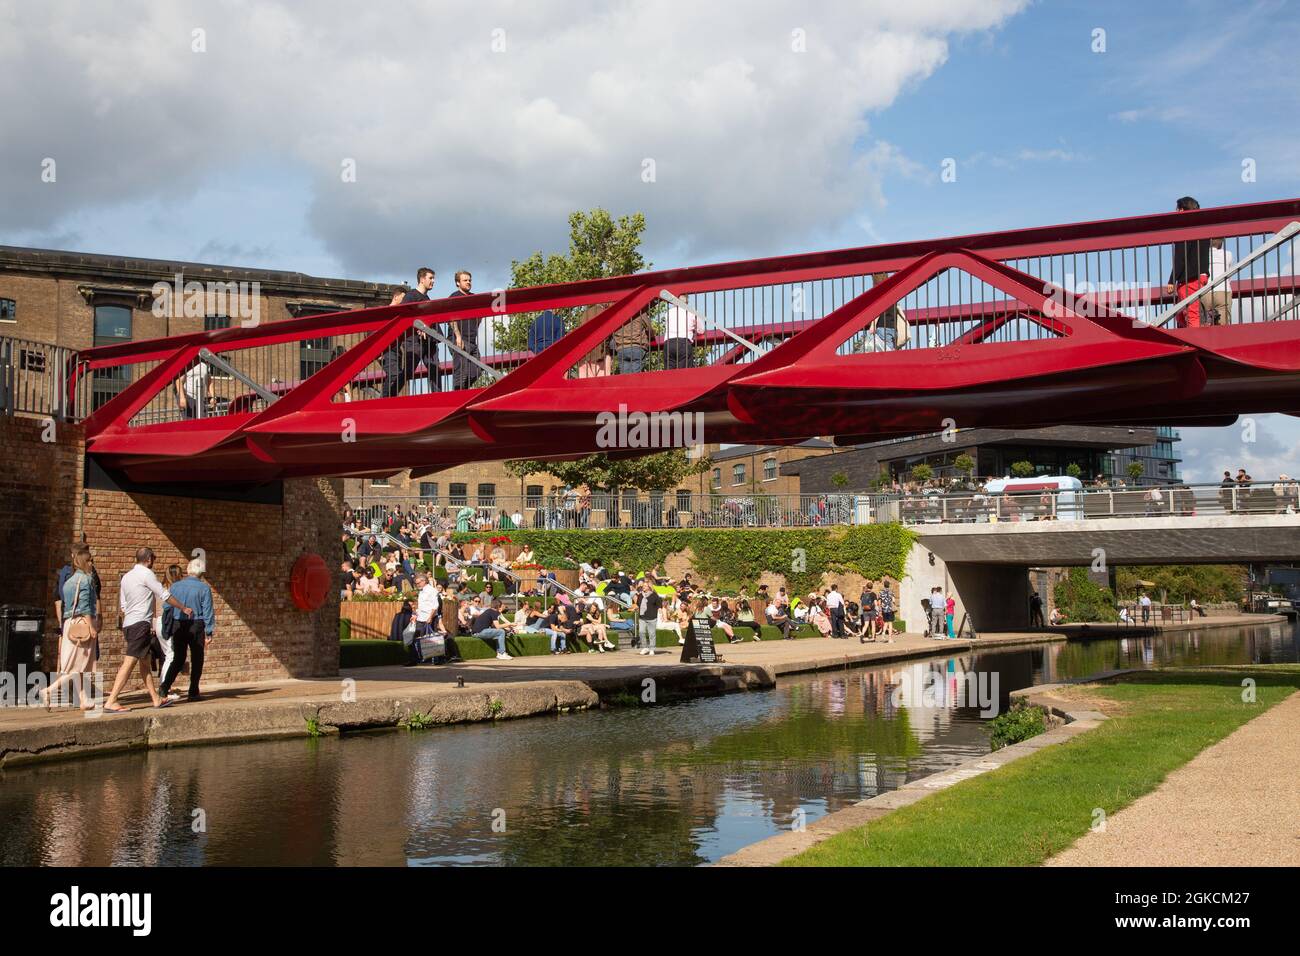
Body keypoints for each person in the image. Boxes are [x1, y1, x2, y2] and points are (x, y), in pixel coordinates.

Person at [104, 548, 193, 713]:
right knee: (129, 662)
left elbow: (123, 606)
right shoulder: (147, 574)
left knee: (145, 662)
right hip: (140, 624)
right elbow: (164, 594)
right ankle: (112, 700)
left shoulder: (127, 577)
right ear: (149, 559)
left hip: (129, 624)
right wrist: (183, 607)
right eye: (154, 559)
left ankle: (155, 698)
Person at [42, 545, 100, 710]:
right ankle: (48, 690)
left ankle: (84, 700)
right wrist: (92, 627)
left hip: (69, 624)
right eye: (90, 561)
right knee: (76, 666)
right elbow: (85, 606)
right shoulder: (87, 579)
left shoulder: (69, 581)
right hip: (82, 624)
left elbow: (65, 604)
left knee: (78, 665)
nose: (92, 564)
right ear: (84, 562)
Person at [160, 558, 215, 702]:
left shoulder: (176, 586)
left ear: (188, 570)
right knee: (197, 658)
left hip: (178, 624)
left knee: (178, 658)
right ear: (201, 572)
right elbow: (208, 611)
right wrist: (209, 632)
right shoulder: (204, 588)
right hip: (196, 624)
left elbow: (166, 607)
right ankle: (193, 691)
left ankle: (164, 687)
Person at [383, 267, 436, 397]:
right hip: (413, 340)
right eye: (431, 278)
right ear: (422, 279)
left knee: (434, 369)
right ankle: (388, 396)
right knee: (408, 371)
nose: (433, 281)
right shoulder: (411, 296)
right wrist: (417, 328)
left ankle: (437, 395)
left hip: (427, 341)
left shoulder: (427, 298)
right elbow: (404, 316)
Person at [1165, 197, 1211, 328]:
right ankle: (1188, 338)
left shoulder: (1184, 229)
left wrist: (1171, 280)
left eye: (1176, 209)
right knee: (1181, 312)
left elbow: (1180, 256)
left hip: (1190, 278)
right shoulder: (1202, 227)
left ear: (1181, 210)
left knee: (1190, 313)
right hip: (1200, 275)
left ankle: (1193, 341)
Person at [448, 270, 482, 390]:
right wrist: (457, 336)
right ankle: (456, 397)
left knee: (477, 370)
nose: (468, 282)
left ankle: (462, 392)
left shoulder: (474, 297)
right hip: (459, 339)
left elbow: (480, 315)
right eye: (465, 280)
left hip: (472, 341)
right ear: (458, 283)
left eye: (469, 280)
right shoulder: (454, 297)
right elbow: (451, 317)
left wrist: (475, 327)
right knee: (461, 372)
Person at [611, 305, 655, 374]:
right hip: (636, 346)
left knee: (625, 377)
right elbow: (650, 329)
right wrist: (651, 337)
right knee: (635, 377)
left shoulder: (617, 314)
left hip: (621, 348)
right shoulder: (639, 311)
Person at [1200, 237, 1235, 325]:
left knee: (1204, 324)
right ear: (1221, 242)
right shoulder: (1228, 254)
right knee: (1223, 324)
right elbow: (1229, 274)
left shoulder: (1200, 255)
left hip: (1204, 292)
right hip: (1223, 290)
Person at [663, 294, 698, 369]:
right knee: (684, 373)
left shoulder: (668, 313)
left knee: (669, 374)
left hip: (669, 343)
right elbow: (701, 329)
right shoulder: (690, 311)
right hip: (683, 343)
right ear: (686, 302)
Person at [634, 579, 662, 656]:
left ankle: (652, 649)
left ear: (649, 587)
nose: (643, 587)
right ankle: (645, 647)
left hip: (652, 617)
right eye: (643, 586)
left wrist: (660, 609)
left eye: (645, 586)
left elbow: (659, 604)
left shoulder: (654, 595)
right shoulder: (640, 595)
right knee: (641, 632)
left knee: (652, 634)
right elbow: (638, 604)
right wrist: (635, 607)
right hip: (642, 617)